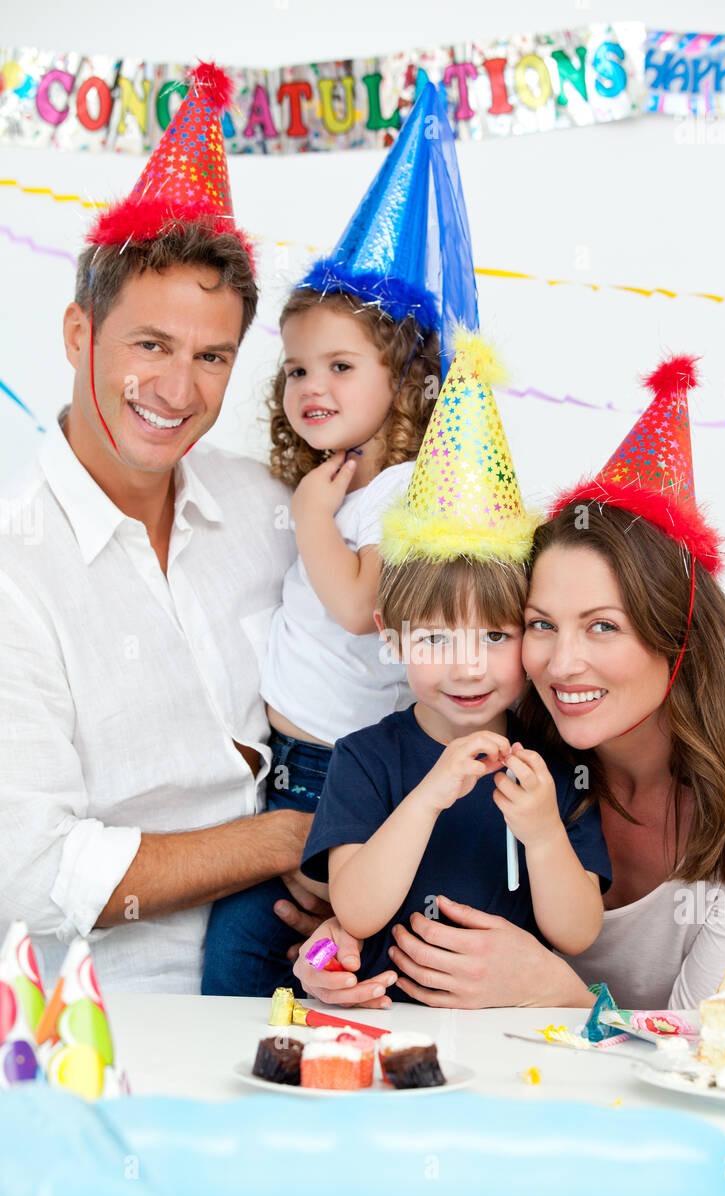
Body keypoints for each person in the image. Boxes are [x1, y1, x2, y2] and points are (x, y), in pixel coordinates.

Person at [292, 355, 725, 1011]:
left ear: (679, 635)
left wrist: (554, 993)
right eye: (540, 624)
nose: (561, 664)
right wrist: (343, 935)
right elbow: (364, 894)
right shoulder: (505, 729)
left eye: (603, 626)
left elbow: (706, 1045)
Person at [0, 64, 321, 991]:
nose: (179, 393)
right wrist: (282, 840)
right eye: (151, 345)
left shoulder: (269, 511)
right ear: (78, 334)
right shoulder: (18, 572)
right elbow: (28, 872)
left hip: (309, 986)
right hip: (109, 1022)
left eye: (211, 356)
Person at [202, 78, 479, 995]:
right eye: (294, 369)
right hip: (283, 770)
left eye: (340, 366)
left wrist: (315, 518)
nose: (309, 386)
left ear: (403, 382)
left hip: (335, 774)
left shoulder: (405, 489)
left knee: (250, 954)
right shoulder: (336, 478)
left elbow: (362, 607)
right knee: (273, 956)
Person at [298, 334, 610, 1001]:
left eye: (496, 635)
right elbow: (353, 912)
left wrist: (544, 833)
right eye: (436, 640)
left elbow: (580, 932)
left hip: (515, 1040)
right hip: (384, 1031)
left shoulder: (557, 767)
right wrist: (430, 795)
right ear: (392, 636)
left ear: (528, 635)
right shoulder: (365, 759)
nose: (467, 667)